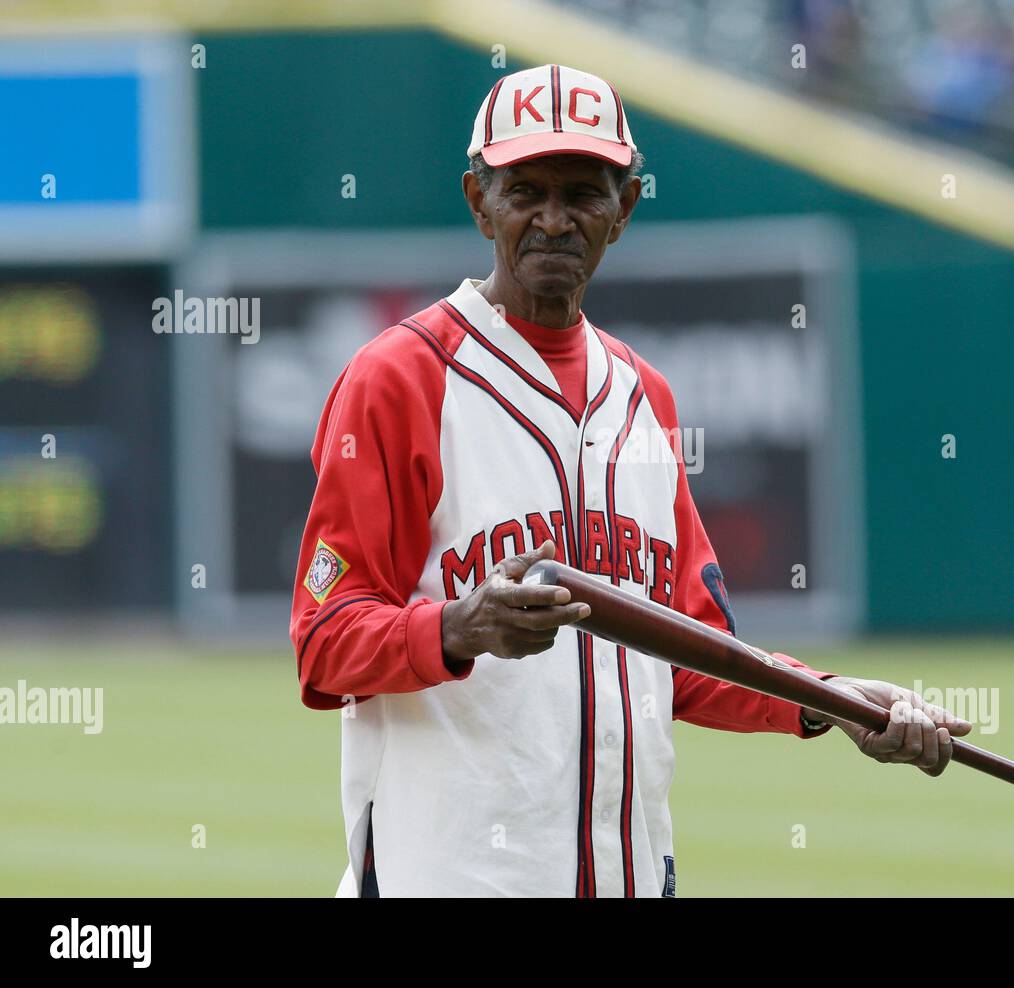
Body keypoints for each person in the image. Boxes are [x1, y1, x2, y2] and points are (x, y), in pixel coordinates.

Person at [290, 64, 970, 897]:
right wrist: (457, 627)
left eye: (583, 191)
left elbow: (683, 658)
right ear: (477, 200)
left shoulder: (644, 396)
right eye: (524, 189)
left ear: (626, 209)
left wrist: (830, 701)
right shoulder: (401, 378)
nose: (552, 218)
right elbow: (324, 644)